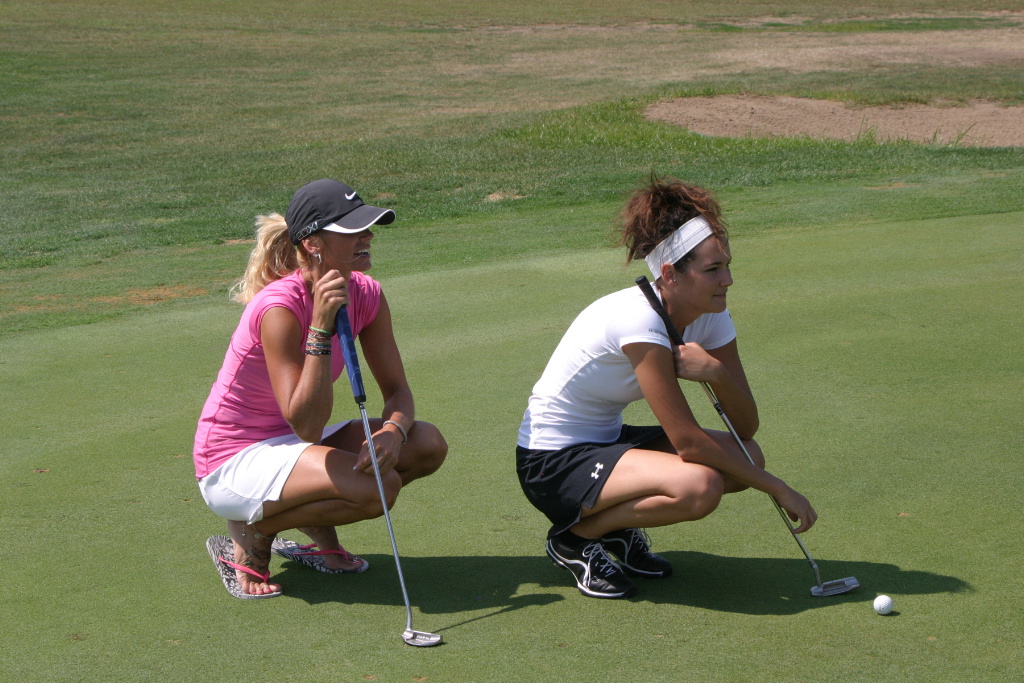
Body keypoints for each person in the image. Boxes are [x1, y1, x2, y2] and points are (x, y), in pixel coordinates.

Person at [515, 176, 816, 599]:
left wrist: (716, 373)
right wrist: (779, 487)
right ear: (671, 274)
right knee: (700, 486)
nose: (727, 279)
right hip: (552, 462)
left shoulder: (710, 313)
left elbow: (745, 427)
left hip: (605, 444)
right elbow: (689, 443)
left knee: (746, 455)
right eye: (713, 269)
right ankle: (575, 540)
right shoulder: (638, 320)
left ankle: (613, 530)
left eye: (727, 265)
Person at [194, 179, 447, 599]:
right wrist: (320, 327)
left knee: (425, 442)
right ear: (313, 243)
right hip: (233, 459)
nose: (368, 237)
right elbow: (308, 425)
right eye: (353, 231)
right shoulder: (279, 308)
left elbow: (399, 392)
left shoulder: (367, 293)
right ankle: (256, 532)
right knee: (377, 489)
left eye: (368, 228)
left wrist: (392, 432)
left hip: (292, 446)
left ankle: (295, 515)